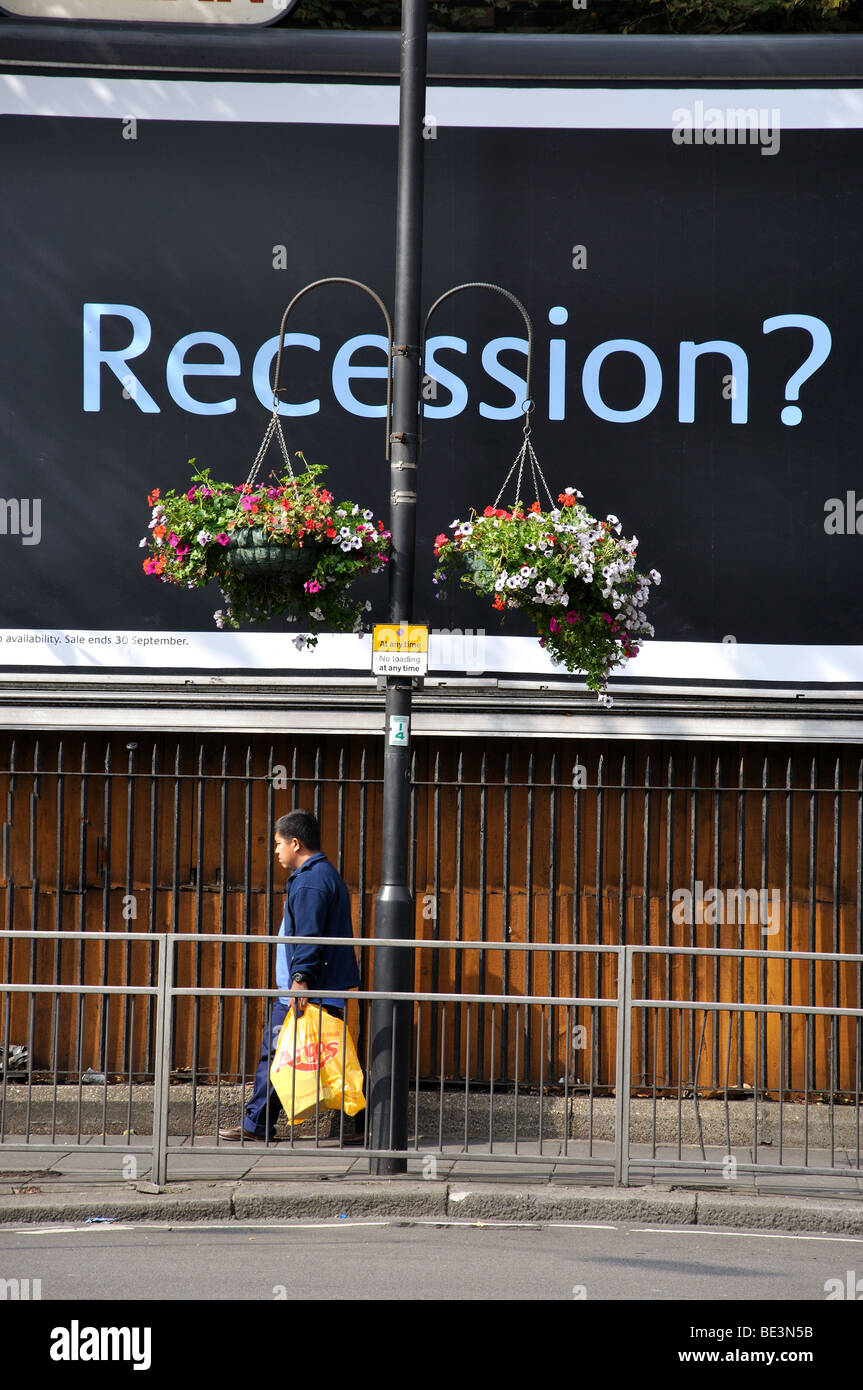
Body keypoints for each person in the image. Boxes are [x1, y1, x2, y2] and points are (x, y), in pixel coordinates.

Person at [218, 808, 362, 1143]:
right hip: (315, 987)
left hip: (307, 989)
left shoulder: (312, 881)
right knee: (320, 1056)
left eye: (279, 843)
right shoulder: (320, 875)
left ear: (295, 843)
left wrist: (300, 979)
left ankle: (257, 1125)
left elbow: (309, 935)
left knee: (284, 1054)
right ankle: (363, 1122)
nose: (276, 850)